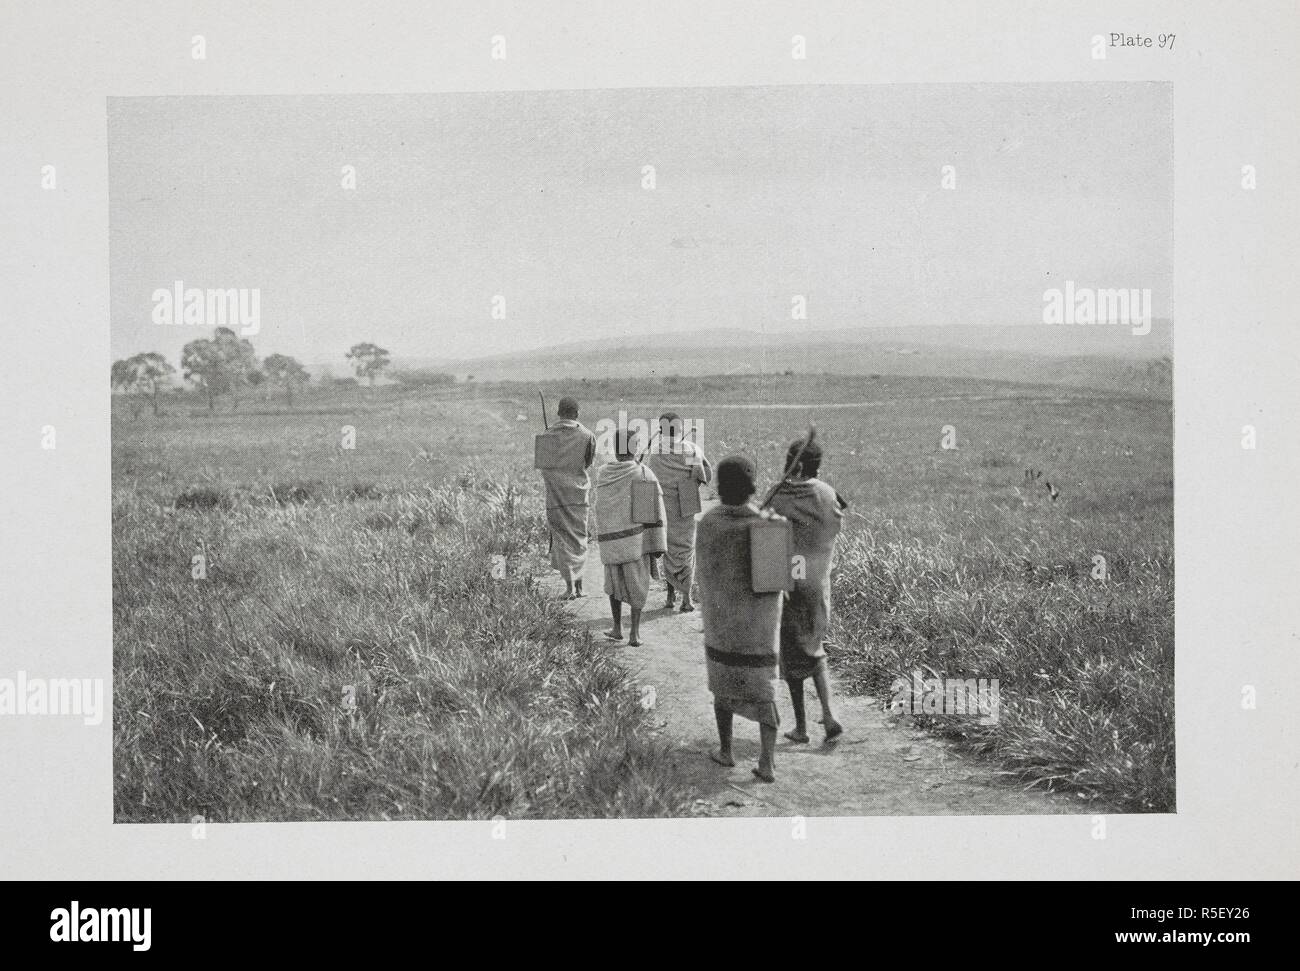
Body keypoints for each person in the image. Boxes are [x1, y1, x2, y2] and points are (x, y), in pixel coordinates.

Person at [695, 454, 784, 783]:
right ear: (753, 487)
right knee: (764, 693)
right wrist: (773, 530)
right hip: (758, 630)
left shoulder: (708, 523)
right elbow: (775, 583)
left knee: (722, 688)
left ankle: (726, 750)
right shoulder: (769, 524)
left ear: (719, 488)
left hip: (721, 628)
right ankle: (767, 762)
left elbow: (705, 574)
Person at [768, 439, 845, 743]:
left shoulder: (778, 495)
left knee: (791, 658)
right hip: (817, 585)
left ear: (796, 463)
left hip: (786, 587)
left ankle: (802, 727)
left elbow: (766, 542)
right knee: (814, 648)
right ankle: (828, 713)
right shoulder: (827, 493)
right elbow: (837, 521)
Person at [594, 433, 666, 646]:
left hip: (611, 542)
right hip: (636, 543)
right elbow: (651, 513)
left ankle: (617, 627)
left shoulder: (604, 473)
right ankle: (634, 633)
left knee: (613, 584)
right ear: (635, 450)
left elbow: (602, 508)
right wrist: (656, 545)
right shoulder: (643, 473)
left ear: (616, 450)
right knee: (637, 586)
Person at [645, 412, 713, 613]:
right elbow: (704, 475)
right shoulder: (691, 450)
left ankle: (669, 596)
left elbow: (649, 479)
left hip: (664, 508)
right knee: (685, 550)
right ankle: (686, 599)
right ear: (681, 429)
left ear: (661, 430)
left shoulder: (656, 453)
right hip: (686, 505)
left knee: (667, 549)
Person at [537, 396, 596, 599]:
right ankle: (578, 587)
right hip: (579, 495)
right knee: (579, 538)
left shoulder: (547, 435)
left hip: (556, 496)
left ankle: (570, 587)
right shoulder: (588, 435)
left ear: (558, 413)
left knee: (562, 539)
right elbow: (587, 463)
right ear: (577, 413)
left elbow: (544, 468)